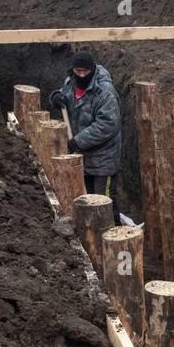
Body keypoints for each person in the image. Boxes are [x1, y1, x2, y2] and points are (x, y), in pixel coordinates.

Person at [48, 51, 122, 223]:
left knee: (103, 201)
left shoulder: (105, 91)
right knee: (87, 198)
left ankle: (111, 229)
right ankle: (90, 229)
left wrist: (78, 141)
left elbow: (107, 125)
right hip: (83, 154)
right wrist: (56, 97)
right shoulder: (70, 82)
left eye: (85, 72)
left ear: (92, 69)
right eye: (78, 71)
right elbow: (64, 97)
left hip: (103, 158)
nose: (81, 75)